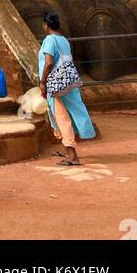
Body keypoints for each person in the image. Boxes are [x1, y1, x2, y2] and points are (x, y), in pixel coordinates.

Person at [39, 12, 96, 166]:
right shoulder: (63, 40)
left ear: (46, 25)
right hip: (68, 83)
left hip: (56, 85)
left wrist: (42, 81)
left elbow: (49, 62)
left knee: (61, 117)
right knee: (70, 112)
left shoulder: (49, 40)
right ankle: (67, 149)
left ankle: (72, 156)